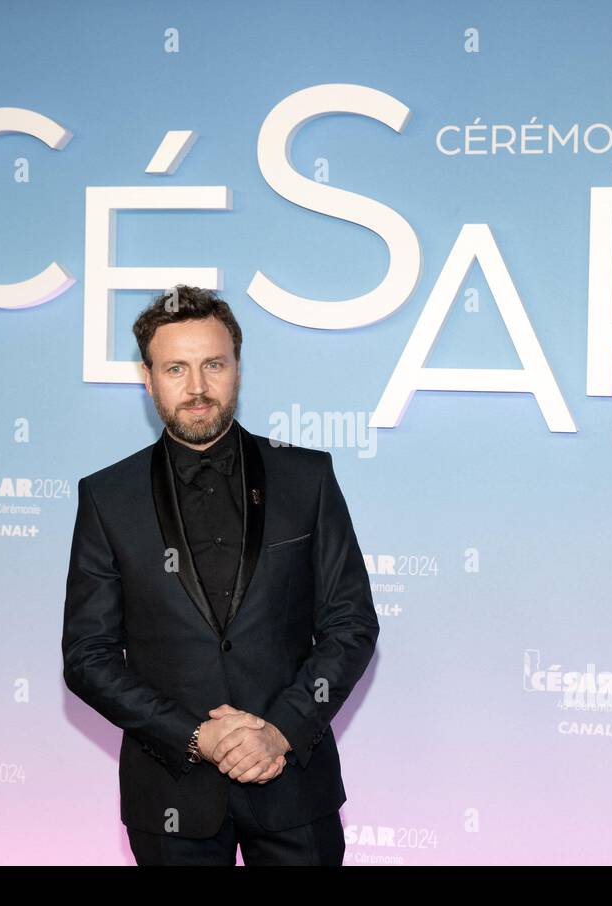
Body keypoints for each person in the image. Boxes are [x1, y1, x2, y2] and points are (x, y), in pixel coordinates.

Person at [61, 285, 379, 865]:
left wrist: (280, 730)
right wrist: (194, 735)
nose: (198, 386)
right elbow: (88, 656)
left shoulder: (306, 478)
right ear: (148, 376)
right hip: (171, 794)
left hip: (292, 784)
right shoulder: (108, 498)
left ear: (237, 366)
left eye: (213, 364)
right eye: (176, 368)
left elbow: (350, 623)